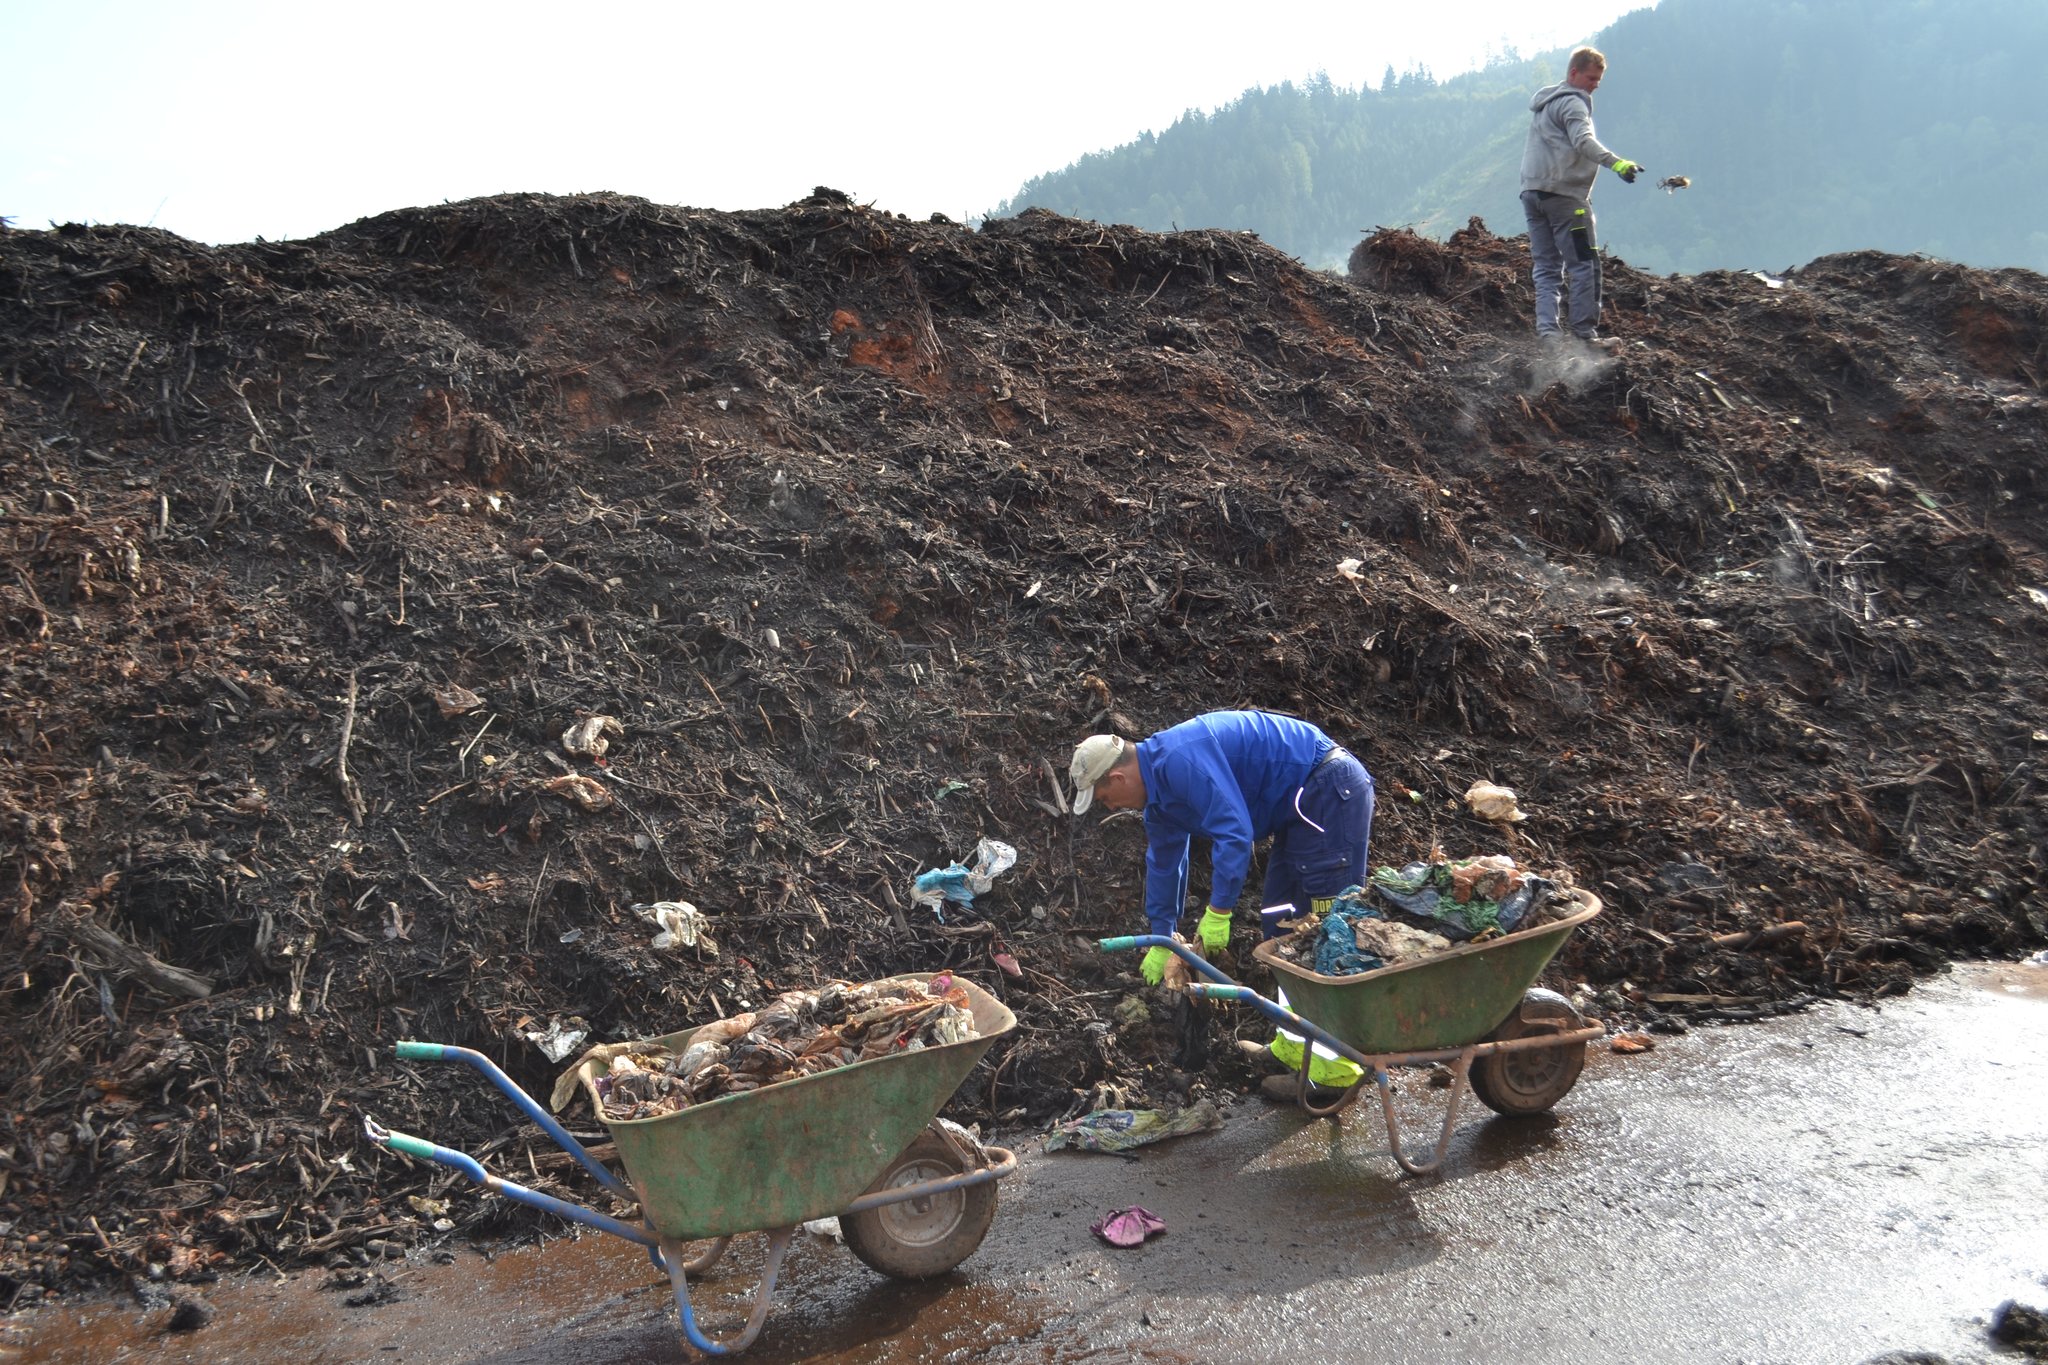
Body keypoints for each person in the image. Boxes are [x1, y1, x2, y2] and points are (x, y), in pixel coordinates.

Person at [1070, 710, 1375, 1092]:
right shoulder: (1158, 800)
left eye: (1104, 797)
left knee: (1325, 932)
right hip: (1294, 811)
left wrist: (1220, 911)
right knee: (1281, 924)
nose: (1110, 806)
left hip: (1327, 790)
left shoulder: (1181, 760)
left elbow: (1234, 833)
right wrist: (1162, 935)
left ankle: (1336, 1074)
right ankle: (1296, 1049)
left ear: (1117, 777)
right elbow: (1164, 863)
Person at [1518, 45, 1644, 345]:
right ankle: (1585, 336)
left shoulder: (1545, 104)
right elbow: (1583, 141)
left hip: (1532, 195)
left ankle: (1548, 334)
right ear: (1574, 73)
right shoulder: (1574, 104)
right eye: (1591, 78)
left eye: (1598, 80)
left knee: (1546, 267)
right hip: (1565, 200)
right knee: (1584, 263)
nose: (1595, 85)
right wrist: (1618, 163)